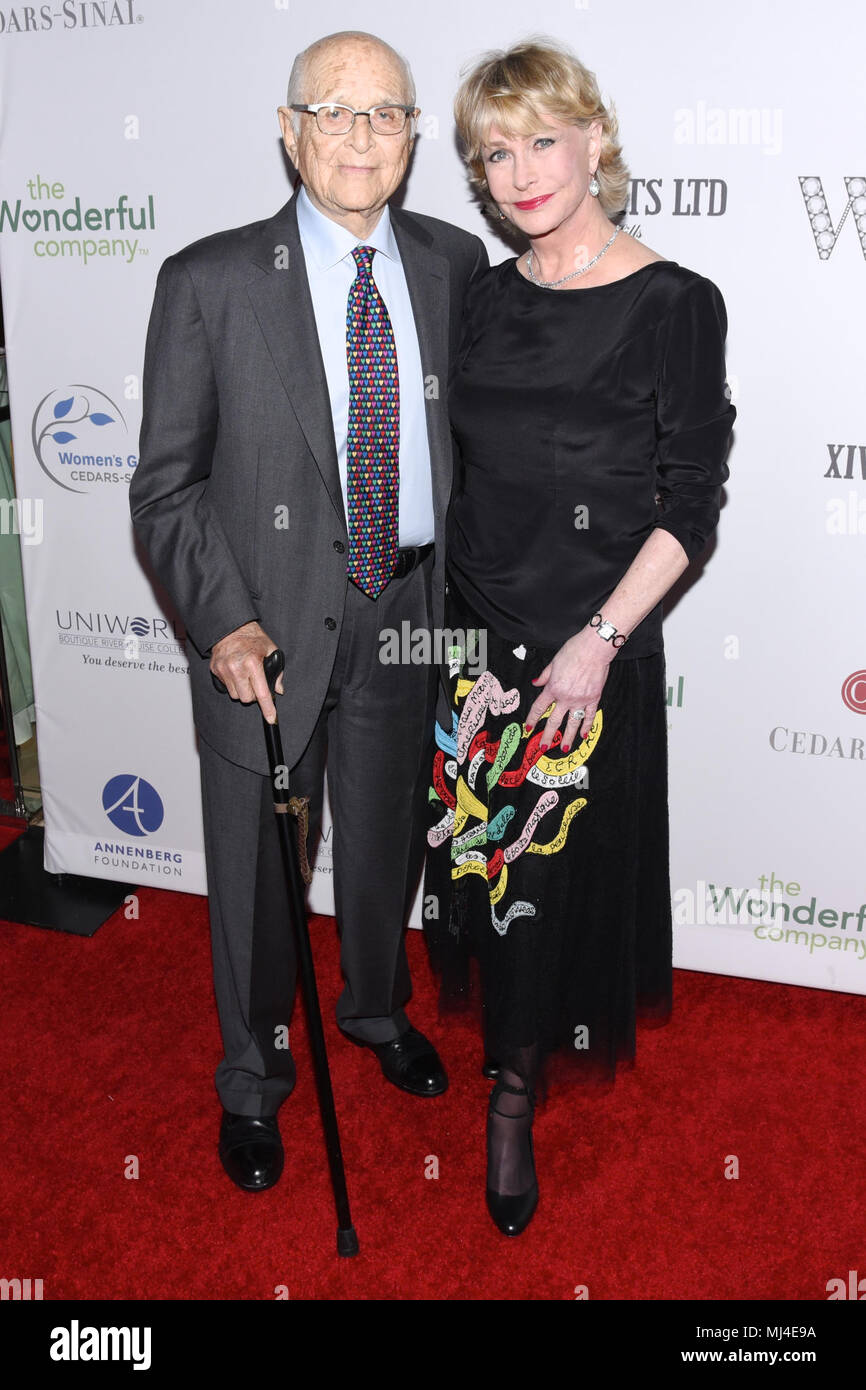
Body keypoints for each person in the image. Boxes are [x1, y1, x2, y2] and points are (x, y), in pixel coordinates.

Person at [129, 30, 488, 1193]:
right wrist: (222, 620)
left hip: (409, 612)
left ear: (413, 140)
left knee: (386, 848)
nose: (357, 136)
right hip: (263, 636)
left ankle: (376, 1011)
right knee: (257, 878)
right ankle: (254, 1078)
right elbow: (166, 483)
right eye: (330, 113)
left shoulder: (453, 262)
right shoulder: (209, 280)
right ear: (287, 132)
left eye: (383, 114)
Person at [424, 37, 736, 1236]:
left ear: (594, 140)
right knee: (481, 868)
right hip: (474, 635)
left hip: (585, 643)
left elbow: (687, 504)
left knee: (548, 873)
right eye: (492, 154)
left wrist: (600, 639)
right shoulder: (486, 298)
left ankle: (513, 1096)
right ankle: (504, 1048)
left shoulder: (673, 302)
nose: (519, 172)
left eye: (539, 141)